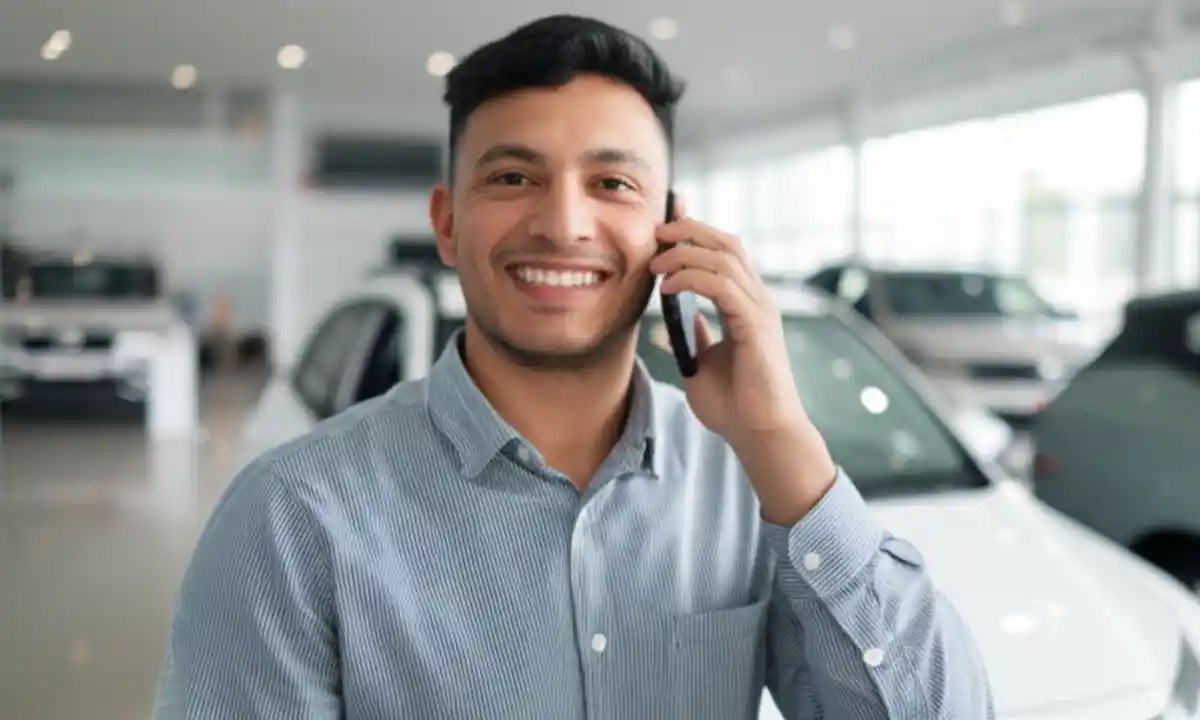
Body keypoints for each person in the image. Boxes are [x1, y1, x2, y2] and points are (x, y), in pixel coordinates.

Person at [155, 14, 994, 719]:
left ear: (672, 226)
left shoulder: (751, 489)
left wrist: (780, 437)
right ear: (447, 223)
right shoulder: (292, 517)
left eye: (612, 184)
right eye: (514, 175)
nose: (562, 224)